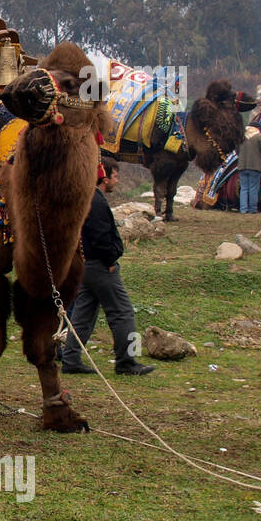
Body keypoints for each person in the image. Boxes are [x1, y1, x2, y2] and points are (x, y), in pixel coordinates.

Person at [61, 158, 156, 377]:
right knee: (123, 313)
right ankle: (128, 360)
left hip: (85, 265)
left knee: (83, 315)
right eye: (115, 176)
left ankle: (71, 358)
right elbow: (101, 236)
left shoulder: (82, 197)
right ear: (104, 177)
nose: (117, 180)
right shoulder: (96, 200)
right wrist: (111, 261)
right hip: (102, 266)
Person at [238, 125, 261, 214]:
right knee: (253, 188)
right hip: (255, 166)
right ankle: (252, 209)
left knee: (244, 188)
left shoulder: (241, 137)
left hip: (242, 166)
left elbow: (237, 150)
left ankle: (243, 209)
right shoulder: (259, 136)